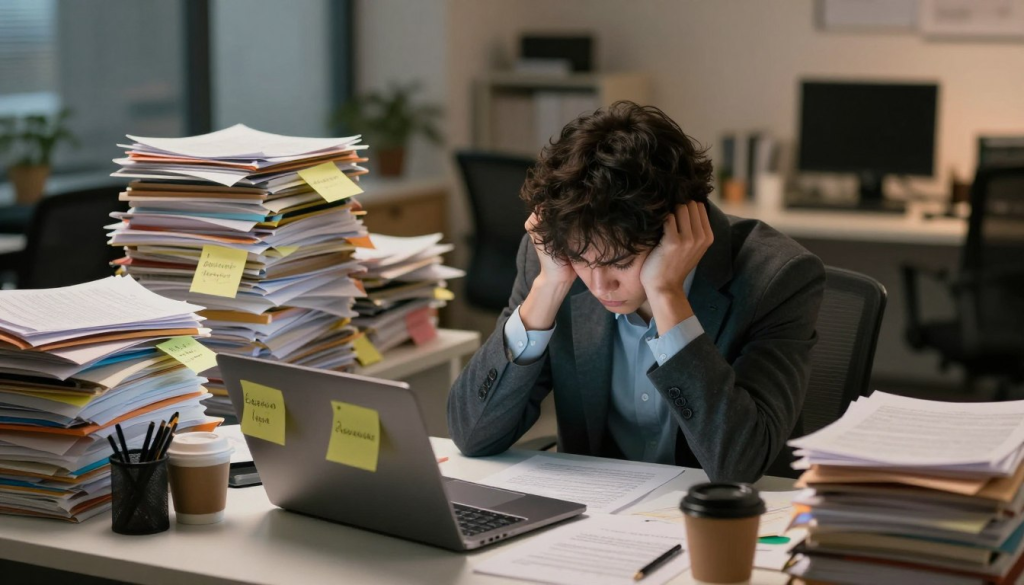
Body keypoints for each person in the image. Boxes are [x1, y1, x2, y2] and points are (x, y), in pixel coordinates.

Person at [447, 101, 825, 482]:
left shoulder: (779, 277)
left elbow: (740, 464)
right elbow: (471, 435)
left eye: (622, 262)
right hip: (599, 514)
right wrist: (548, 287)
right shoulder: (554, 260)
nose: (598, 286)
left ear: (678, 229)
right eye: (582, 260)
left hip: (723, 521)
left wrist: (667, 295)